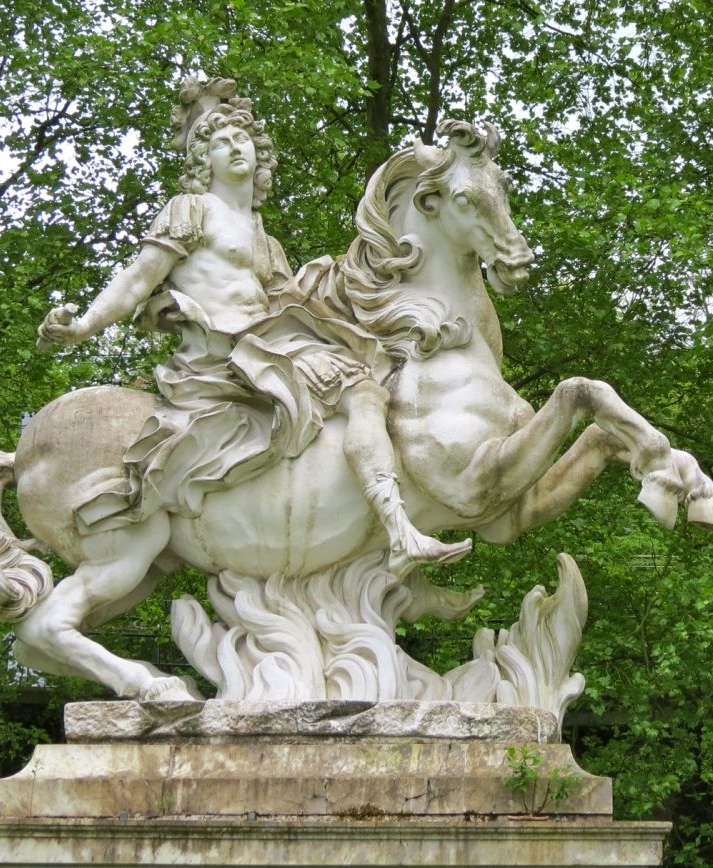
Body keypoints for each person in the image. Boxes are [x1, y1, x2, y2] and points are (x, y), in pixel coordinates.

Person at [38, 90, 470, 572]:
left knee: (371, 388)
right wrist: (83, 325)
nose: (236, 147)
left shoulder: (265, 239)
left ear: (261, 157)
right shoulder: (191, 210)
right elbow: (139, 277)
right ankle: (399, 532)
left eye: (243, 138)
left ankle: (388, 528)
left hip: (268, 345)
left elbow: (289, 302)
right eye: (222, 142)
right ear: (204, 160)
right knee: (362, 391)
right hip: (222, 355)